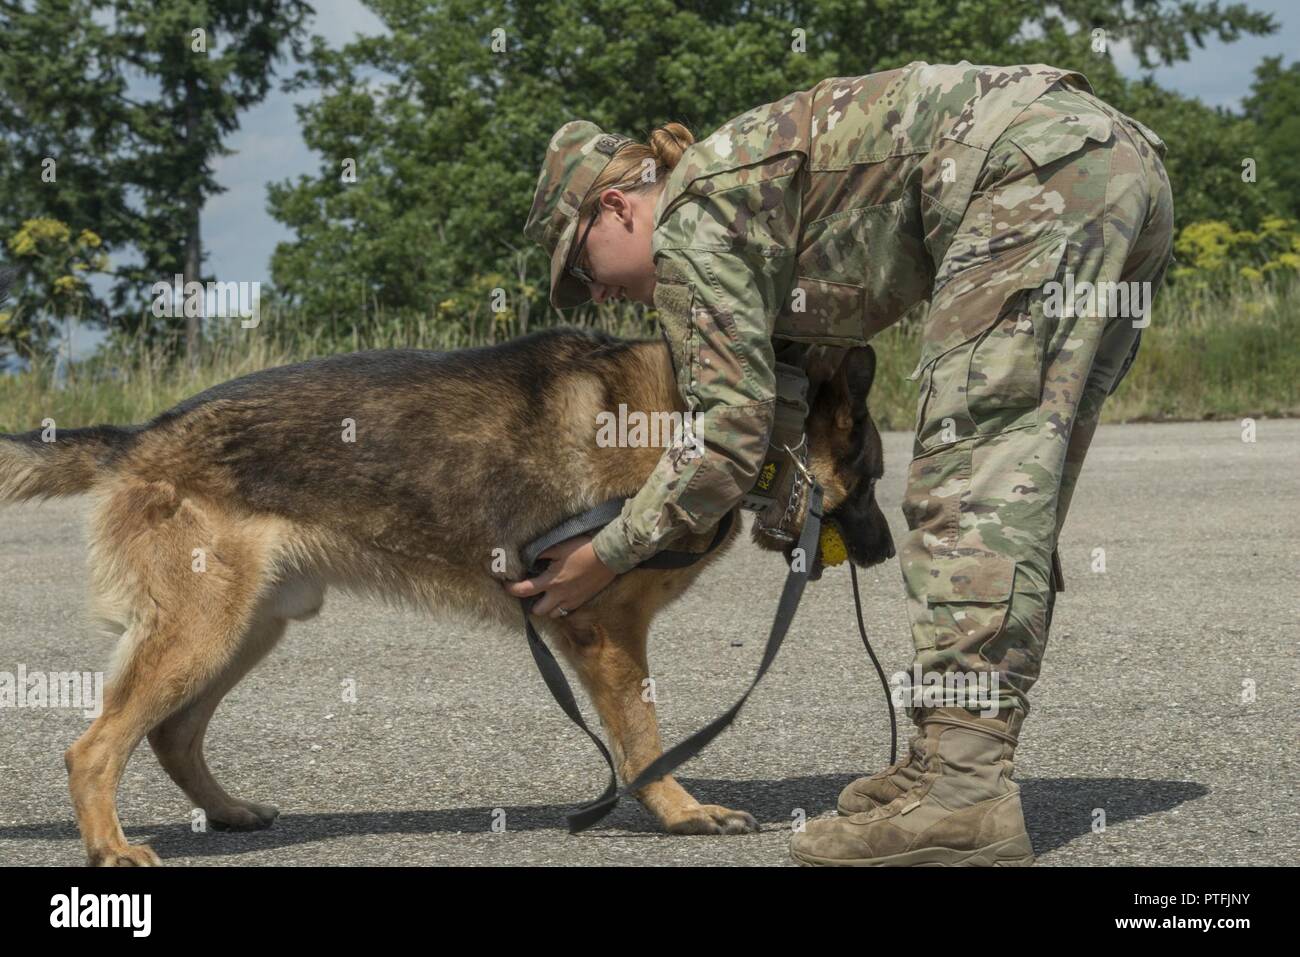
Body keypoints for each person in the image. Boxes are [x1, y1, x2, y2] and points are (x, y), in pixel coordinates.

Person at [510, 60, 1175, 866]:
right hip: (1113, 167)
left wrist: (603, 556)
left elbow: (727, 439)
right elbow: (783, 397)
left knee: (967, 492)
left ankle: (964, 795)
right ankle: (948, 754)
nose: (601, 299)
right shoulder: (736, 197)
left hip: (1031, 172)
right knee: (1016, 489)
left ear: (616, 206)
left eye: (584, 271)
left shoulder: (688, 222)